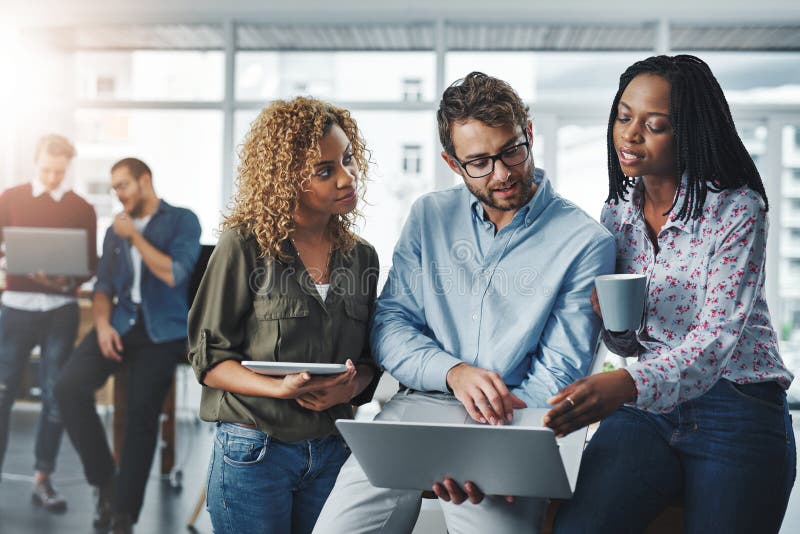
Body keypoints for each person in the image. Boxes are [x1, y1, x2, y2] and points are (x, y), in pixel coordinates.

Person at [314, 72, 615, 534]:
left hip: (514, 420)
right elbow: (392, 323)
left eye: (512, 149)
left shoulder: (586, 241)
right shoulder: (428, 216)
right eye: (478, 162)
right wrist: (453, 373)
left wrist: (491, 450)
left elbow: (560, 369)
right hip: (418, 408)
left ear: (528, 133)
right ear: (452, 163)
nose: (502, 173)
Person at [545, 55, 796, 534]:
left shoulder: (737, 209)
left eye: (653, 124)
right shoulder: (617, 213)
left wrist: (625, 383)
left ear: (688, 131)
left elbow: (714, 343)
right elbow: (630, 342)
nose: (630, 134)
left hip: (738, 404)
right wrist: (615, 328)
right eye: (623, 116)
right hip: (650, 411)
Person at [187, 96, 381, 534]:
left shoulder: (362, 257)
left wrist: (348, 389)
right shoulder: (243, 246)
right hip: (256, 449)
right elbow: (209, 360)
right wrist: (278, 390)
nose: (347, 177)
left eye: (348, 160)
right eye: (325, 170)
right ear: (286, 179)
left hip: (334, 448)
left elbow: (371, 360)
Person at [55, 157, 201, 533]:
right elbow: (103, 287)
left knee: (141, 416)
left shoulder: (182, 220)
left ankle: (123, 513)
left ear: (144, 180)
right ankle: (105, 481)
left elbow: (175, 274)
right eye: (114, 188)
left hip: (162, 332)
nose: (118, 194)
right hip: (120, 323)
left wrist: (135, 236)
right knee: (67, 387)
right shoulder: (113, 231)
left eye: (123, 185)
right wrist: (102, 325)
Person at [0, 134, 97, 512]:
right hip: (16, 306)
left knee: (55, 397)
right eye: (46, 170)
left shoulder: (82, 207)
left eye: (59, 172)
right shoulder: (10, 198)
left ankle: (44, 479)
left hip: (60, 308)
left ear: (68, 167)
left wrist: (65, 280)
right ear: (35, 161)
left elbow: (90, 262)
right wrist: (12, 261)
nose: (53, 178)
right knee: (2, 393)